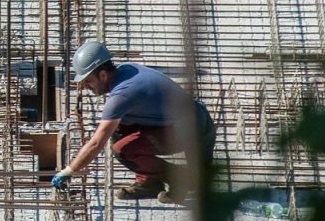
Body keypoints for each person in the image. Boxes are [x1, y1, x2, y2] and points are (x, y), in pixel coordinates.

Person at [51, 40, 216, 203]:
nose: (86, 86)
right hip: (192, 117)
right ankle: (149, 183)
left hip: (192, 130)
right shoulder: (126, 69)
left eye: (88, 81)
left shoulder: (121, 95)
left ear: (103, 75)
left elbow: (96, 144)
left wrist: (69, 171)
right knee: (118, 128)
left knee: (122, 150)